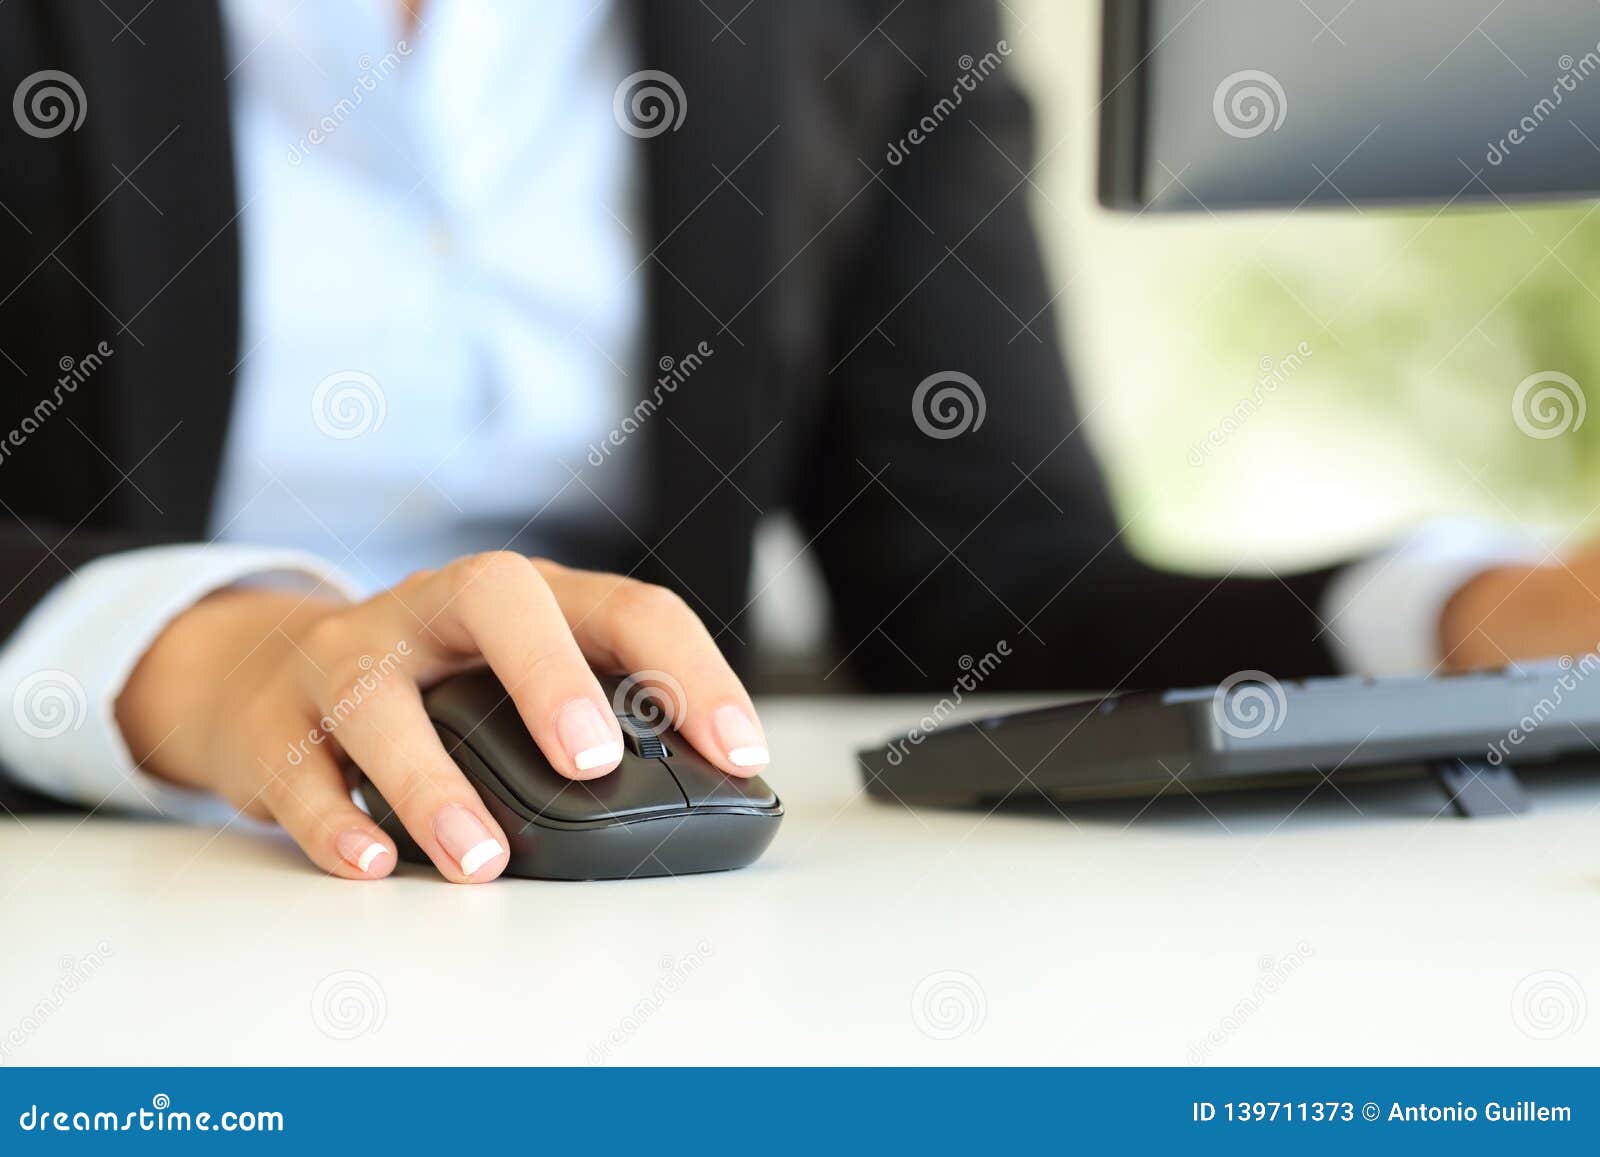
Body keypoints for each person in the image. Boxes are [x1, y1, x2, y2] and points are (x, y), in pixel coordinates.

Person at [0, 0, 1584, 883]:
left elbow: (982, 586)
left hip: (623, 922)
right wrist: (199, 663)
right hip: (103, 896)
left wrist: (1470, 617)